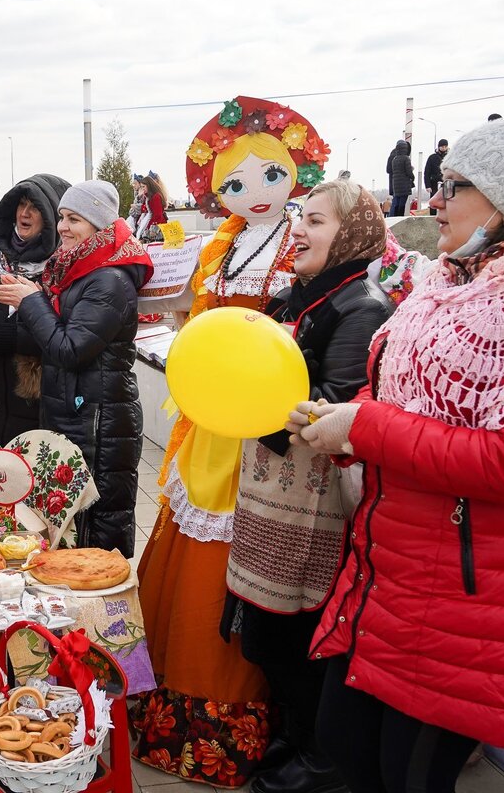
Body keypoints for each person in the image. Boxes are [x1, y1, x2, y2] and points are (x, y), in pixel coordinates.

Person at [291, 112, 504, 793]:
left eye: (456, 185)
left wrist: (362, 430)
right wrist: (345, 419)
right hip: (397, 572)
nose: (433, 201)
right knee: (346, 742)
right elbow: (398, 391)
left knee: (410, 775)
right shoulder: (456, 279)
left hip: (474, 598)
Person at [134, 95, 327, 789]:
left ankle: (238, 725)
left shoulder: (300, 243)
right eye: (235, 183)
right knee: (181, 548)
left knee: (239, 561)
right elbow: (195, 319)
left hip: (266, 420)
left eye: (268, 177)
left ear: (295, 175)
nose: (253, 194)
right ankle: (156, 705)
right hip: (210, 416)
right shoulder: (220, 245)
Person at [225, 179, 395, 793]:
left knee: (299, 637)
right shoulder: (302, 296)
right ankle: (295, 738)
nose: (298, 229)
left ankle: (320, 763)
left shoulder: (362, 306)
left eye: (316, 221)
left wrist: (245, 404)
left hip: (311, 505)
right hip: (271, 494)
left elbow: (332, 414)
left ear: (351, 234)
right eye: (300, 216)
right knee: (267, 636)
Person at [0, 179, 151, 556]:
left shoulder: (109, 279)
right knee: (69, 524)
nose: (62, 226)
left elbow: (70, 348)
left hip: (100, 423)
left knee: (96, 528)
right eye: (62, 216)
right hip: (81, 415)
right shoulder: (80, 269)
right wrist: (33, 298)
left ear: (99, 225)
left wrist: (32, 302)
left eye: (74, 218)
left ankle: (107, 612)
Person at [0, 173, 71, 445]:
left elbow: (65, 333)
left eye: (35, 207)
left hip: (37, 397)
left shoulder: (61, 265)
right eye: (21, 204)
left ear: (50, 215)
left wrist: (11, 338)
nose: (25, 213)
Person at [135, 170, 169, 242]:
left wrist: (153, 230)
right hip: (153, 223)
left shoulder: (155, 197)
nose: (142, 189)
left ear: (149, 186)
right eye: (141, 187)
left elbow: (157, 215)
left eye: (144, 187)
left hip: (158, 226)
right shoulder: (149, 197)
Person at [388, 140, 413, 217]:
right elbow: (409, 172)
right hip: (404, 184)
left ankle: (393, 219)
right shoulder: (405, 158)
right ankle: (398, 218)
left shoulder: (394, 158)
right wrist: (412, 176)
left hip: (395, 183)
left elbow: (389, 169)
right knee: (401, 203)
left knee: (396, 202)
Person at [425, 139, 449, 215]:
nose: (444, 148)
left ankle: (445, 215)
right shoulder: (432, 157)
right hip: (434, 182)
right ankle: (432, 216)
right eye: (442, 146)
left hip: (445, 181)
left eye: (445, 146)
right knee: (434, 199)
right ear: (439, 147)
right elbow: (427, 172)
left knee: (446, 199)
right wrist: (427, 185)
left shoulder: (449, 157)